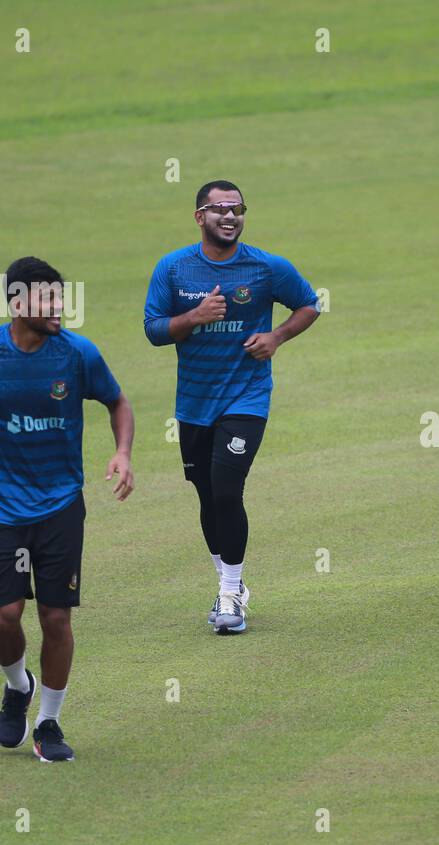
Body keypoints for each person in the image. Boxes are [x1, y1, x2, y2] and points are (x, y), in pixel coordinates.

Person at [0, 256, 135, 761]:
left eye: (61, 298)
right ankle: (17, 685)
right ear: (17, 304)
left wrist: (123, 452)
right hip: (0, 508)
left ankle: (48, 721)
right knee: (4, 615)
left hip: (61, 505)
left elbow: (118, 402)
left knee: (55, 618)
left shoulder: (78, 354)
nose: (59, 308)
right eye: (48, 300)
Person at [144, 180, 320, 633]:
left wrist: (276, 336)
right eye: (218, 209)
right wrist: (193, 318)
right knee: (205, 494)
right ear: (199, 217)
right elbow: (153, 329)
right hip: (194, 404)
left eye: (237, 208)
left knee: (226, 489)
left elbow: (309, 304)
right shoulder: (174, 268)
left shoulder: (265, 267)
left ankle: (230, 595)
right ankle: (229, 582)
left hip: (247, 397)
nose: (230, 216)